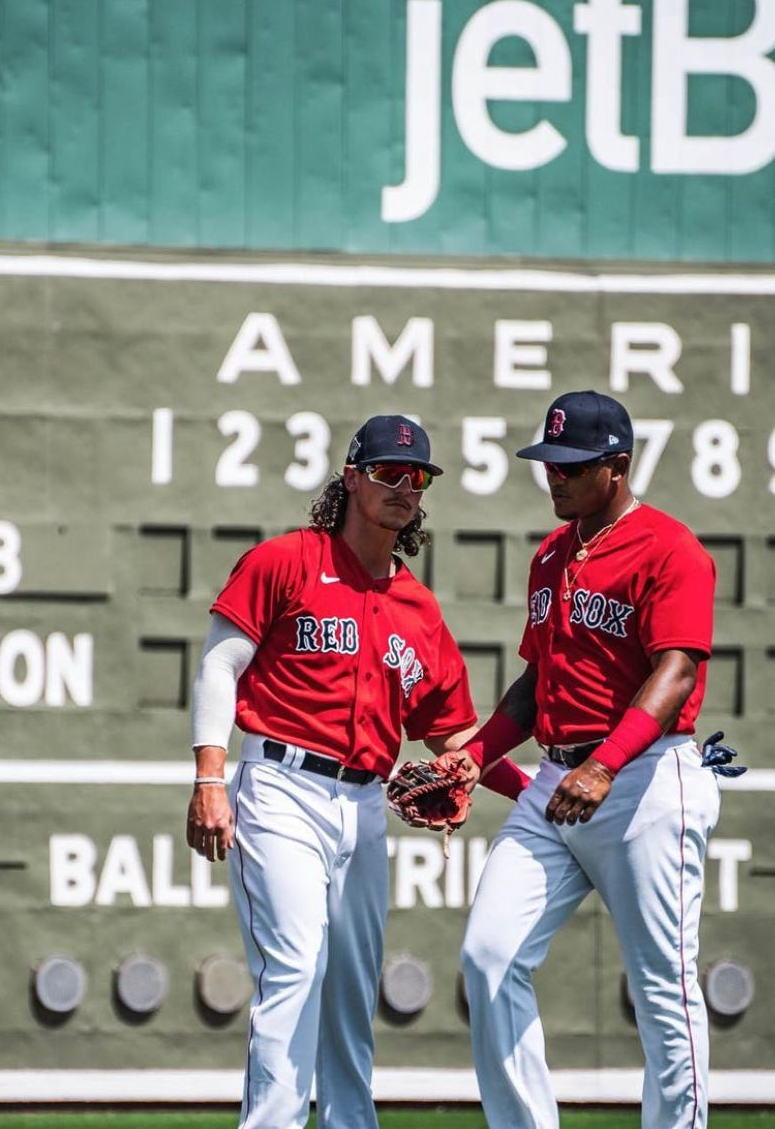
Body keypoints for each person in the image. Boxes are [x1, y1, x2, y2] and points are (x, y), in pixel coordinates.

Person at [185, 414, 528, 1129]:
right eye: (388, 473)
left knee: (349, 991)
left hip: (365, 804)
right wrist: (210, 778)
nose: (404, 486)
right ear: (351, 478)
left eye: (417, 477)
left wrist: (529, 790)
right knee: (295, 969)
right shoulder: (286, 561)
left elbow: (451, 734)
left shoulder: (418, 608)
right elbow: (220, 665)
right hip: (280, 787)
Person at [438, 389, 731, 1129]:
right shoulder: (551, 554)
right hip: (554, 780)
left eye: (571, 465)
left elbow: (676, 671)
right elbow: (535, 681)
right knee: (489, 956)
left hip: (644, 778)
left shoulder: (669, 548)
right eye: (549, 462)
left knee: (662, 988)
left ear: (618, 467)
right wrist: (474, 757)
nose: (555, 476)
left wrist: (605, 764)